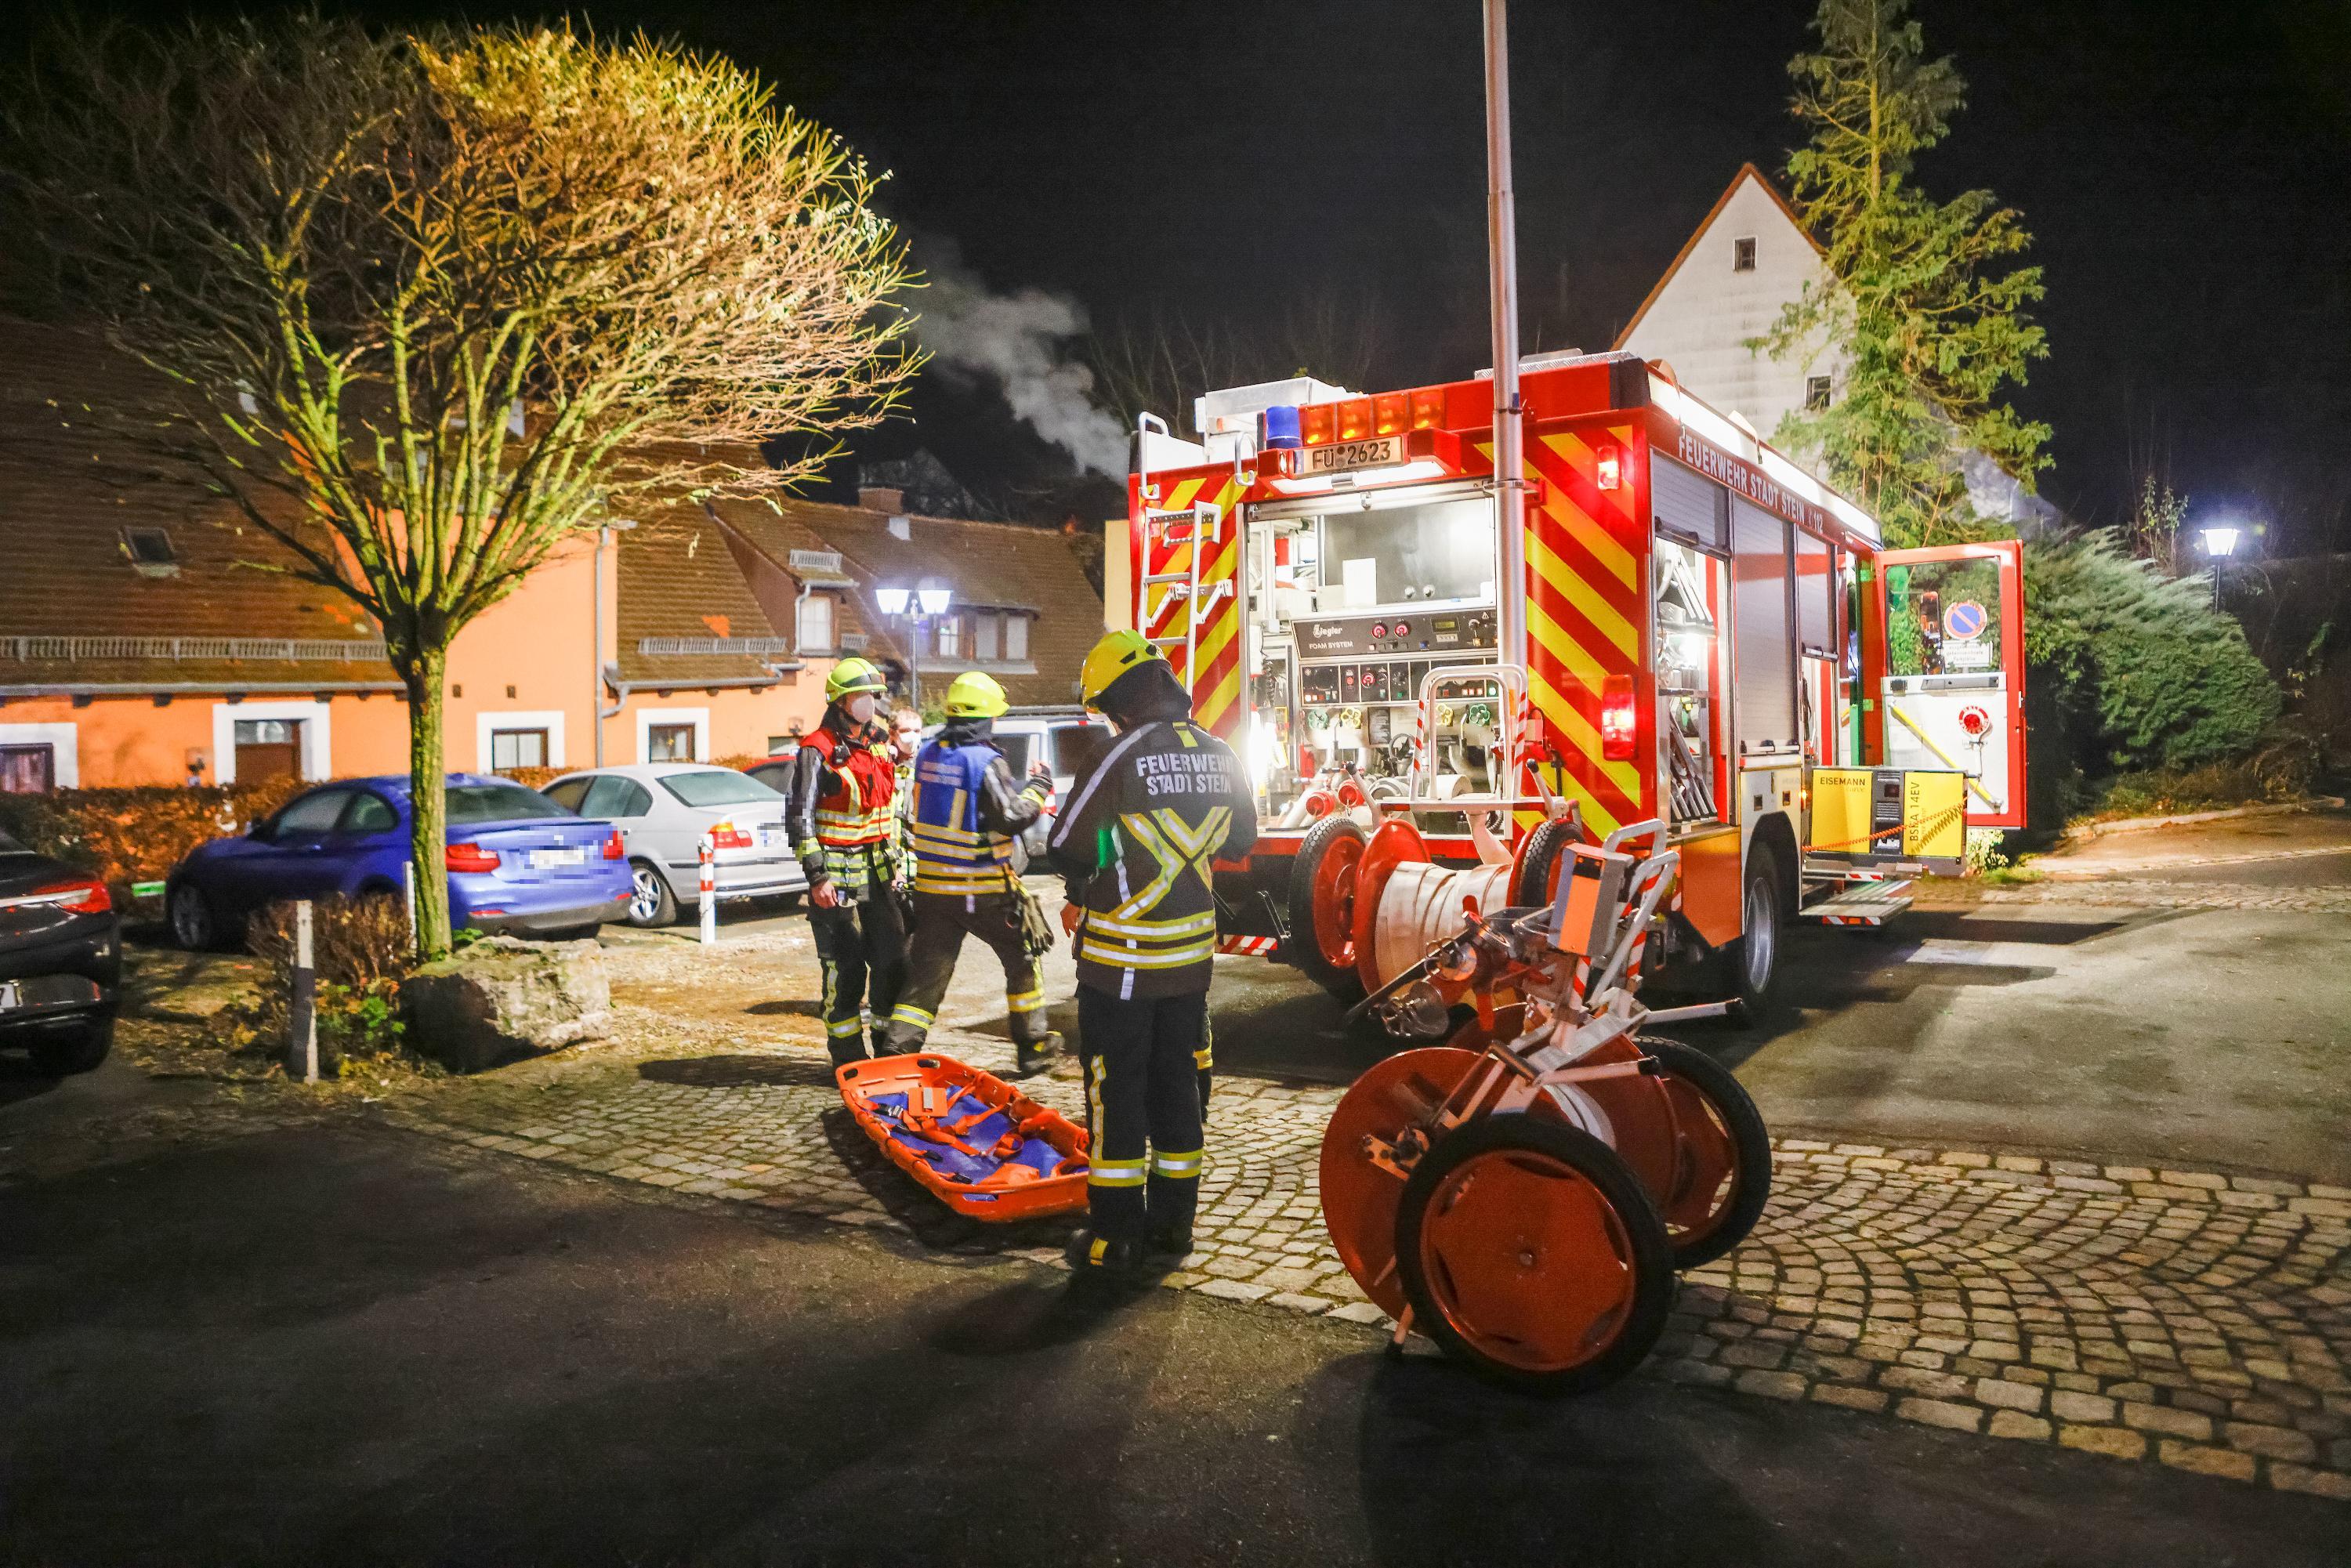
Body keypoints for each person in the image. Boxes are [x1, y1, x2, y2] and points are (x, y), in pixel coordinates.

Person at [1047, 630, 1256, 1277]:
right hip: (1191, 967)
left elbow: (1068, 846)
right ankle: (1174, 1227)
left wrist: (1112, 857)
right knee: (1179, 1090)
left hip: (1121, 969)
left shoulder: (1116, 756)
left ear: (1118, 701)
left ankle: (1116, 1237)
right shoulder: (1223, 754)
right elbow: (1243, 839)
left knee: (1118, 1094)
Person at [882, 672, 1061, 1074]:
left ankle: (897, 1053)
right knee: (1022, 957)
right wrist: (1039, 785)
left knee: (926, 978)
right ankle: (1032, 1046)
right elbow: (1013, 817)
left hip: (932, 891)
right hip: (981, 891)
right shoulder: (985, 762)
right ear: (984, 719)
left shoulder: (927, 753)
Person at [783, 658, 907, 1066]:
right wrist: (817, 877)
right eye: (860, 696)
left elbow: (888, 805)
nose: (869, 703)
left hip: (879, 873)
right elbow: (799, 818)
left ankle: (889, 1050)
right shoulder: (815, 750)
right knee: (845, 968)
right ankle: (848, 1056)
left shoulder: (876, 743)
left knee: (891, 961)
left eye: (873, 695)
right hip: (835, 877)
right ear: (839, 701)